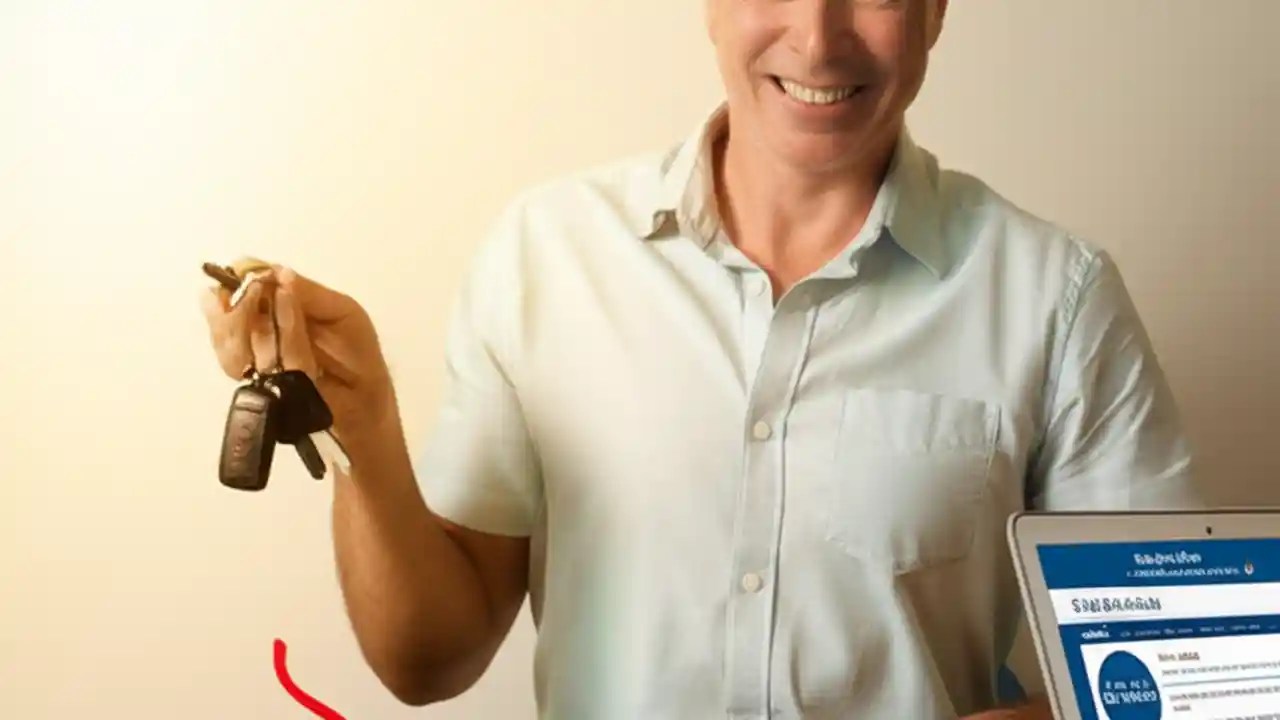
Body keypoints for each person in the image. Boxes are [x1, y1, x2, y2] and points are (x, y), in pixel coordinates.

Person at [200, 0, 1203, 717]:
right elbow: (427, 664)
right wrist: (367, 434)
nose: (817, 35)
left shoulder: (1054, 295)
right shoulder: (544, 254)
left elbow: (1182, 677)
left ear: (936, 10)